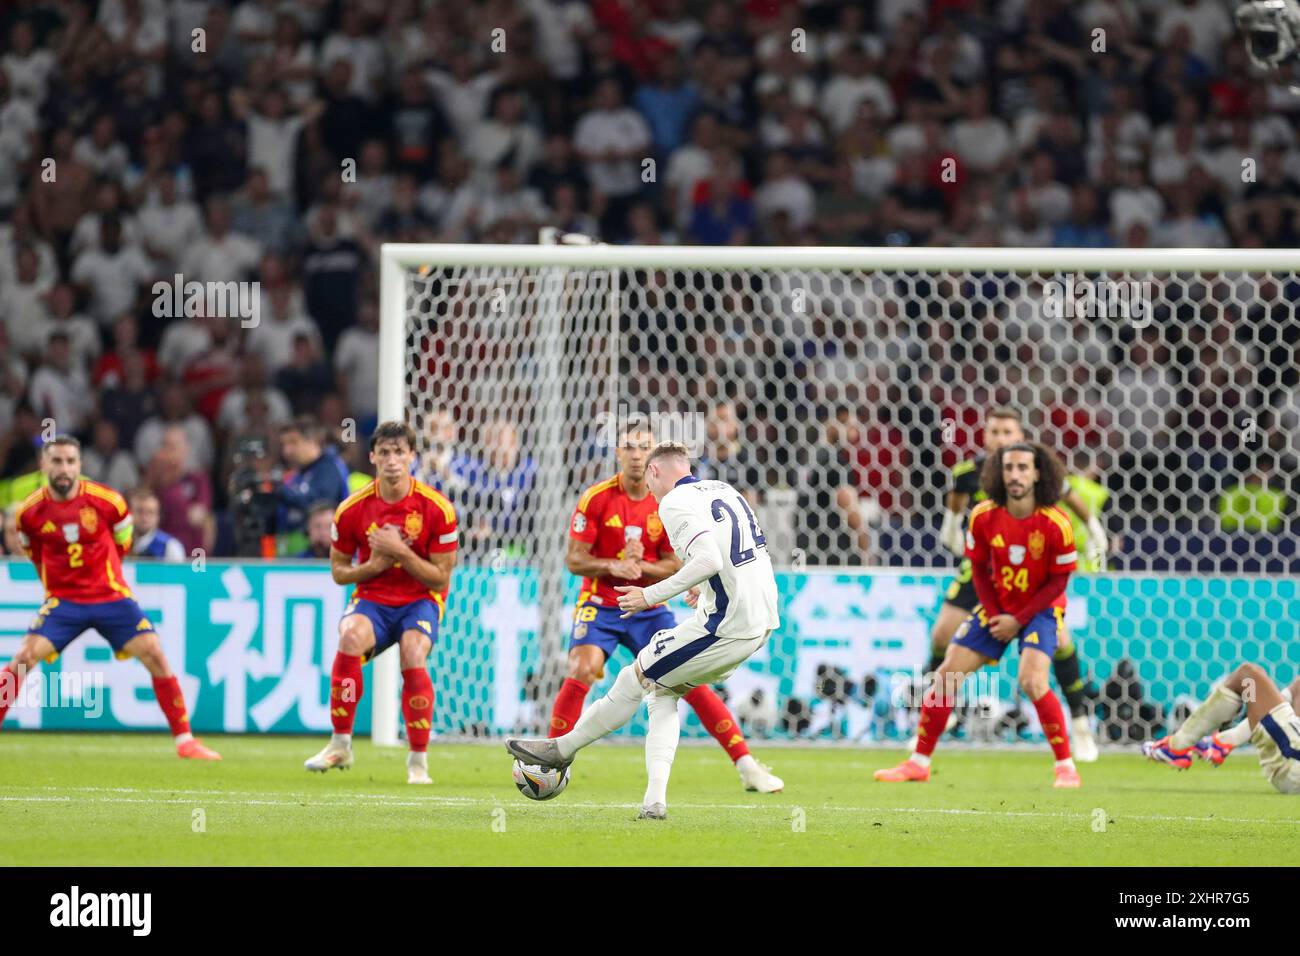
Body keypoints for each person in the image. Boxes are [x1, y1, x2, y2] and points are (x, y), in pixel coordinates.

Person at [506, 441, 780, 819]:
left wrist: (649, 595)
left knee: (633, 677)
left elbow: (708, 557)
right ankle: (654, 802)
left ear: (654, 471)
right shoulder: (722, 490)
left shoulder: (671, 502)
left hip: (725, 625)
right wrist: (702, 589)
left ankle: (561, 750)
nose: (651, 495)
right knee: (662, 691)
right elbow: (742, 554)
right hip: (760, 618)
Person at [877, 442, 1082, 788]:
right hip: (997, 608)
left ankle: (1066, 767)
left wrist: (1018, 619)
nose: (1015, 475)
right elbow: (979, 570)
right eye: (1008, 468)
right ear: (998, 474)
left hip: (1040, 611)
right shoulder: (984, 515)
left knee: (1032, 681)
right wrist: (995, 612)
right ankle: (918, 763)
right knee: (945, 677)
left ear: (1037, 473)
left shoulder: (1055, 523)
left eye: (1022, 468)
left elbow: (1059, 581)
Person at [0, 436, 219, 759]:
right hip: (64, 602)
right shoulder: (29, 512)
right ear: (44, 464)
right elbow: (31, 551)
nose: (64, 468)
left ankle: (185, 740)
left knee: (155, 655)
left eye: (70, 461)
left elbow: (123, 540)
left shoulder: (107, 501)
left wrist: (106, 572)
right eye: (57, 461)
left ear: (79, 465)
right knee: (22, 659)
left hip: (111, 597)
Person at [929, 407, 1102, 760]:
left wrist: (1096, 529)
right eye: (994, 432)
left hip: (1028, 574)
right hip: (983, 566)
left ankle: (1081, 723)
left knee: (1060, 641)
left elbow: (1071, 497)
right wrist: (950, 526)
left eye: (1008, 432)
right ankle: (935, 716)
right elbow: (956, 504)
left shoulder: (1034, 472)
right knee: (941, 634)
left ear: (1020, 437)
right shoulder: (969, 473)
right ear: (985, 436)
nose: (1001, 439)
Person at [305, 421, 458, 785]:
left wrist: (400, 552)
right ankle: (340, 744)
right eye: (385, 453)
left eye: (399, 452)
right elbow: (339, 573)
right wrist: (374, 565)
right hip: (373, 597)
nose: (392, 460)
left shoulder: (438, 508)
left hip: (420, 599)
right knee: (349, 638)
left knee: (413, 652)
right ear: (373, 457)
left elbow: (440, 578)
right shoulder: (351, 509)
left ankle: (417, 762)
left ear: (411, 457)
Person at [1145, 663, 1300, 794]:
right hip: (1290, 766)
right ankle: (1218, 741)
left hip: (1292, 764)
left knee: (1248, 675)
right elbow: (1289, 698)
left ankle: (1177, 746)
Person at [128, 486, 185, 561]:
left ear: (158, 516)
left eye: (150, 512)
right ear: (129, 514)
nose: (145, 517)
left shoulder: (170, 547)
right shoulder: (120, 544)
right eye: (139, 511)